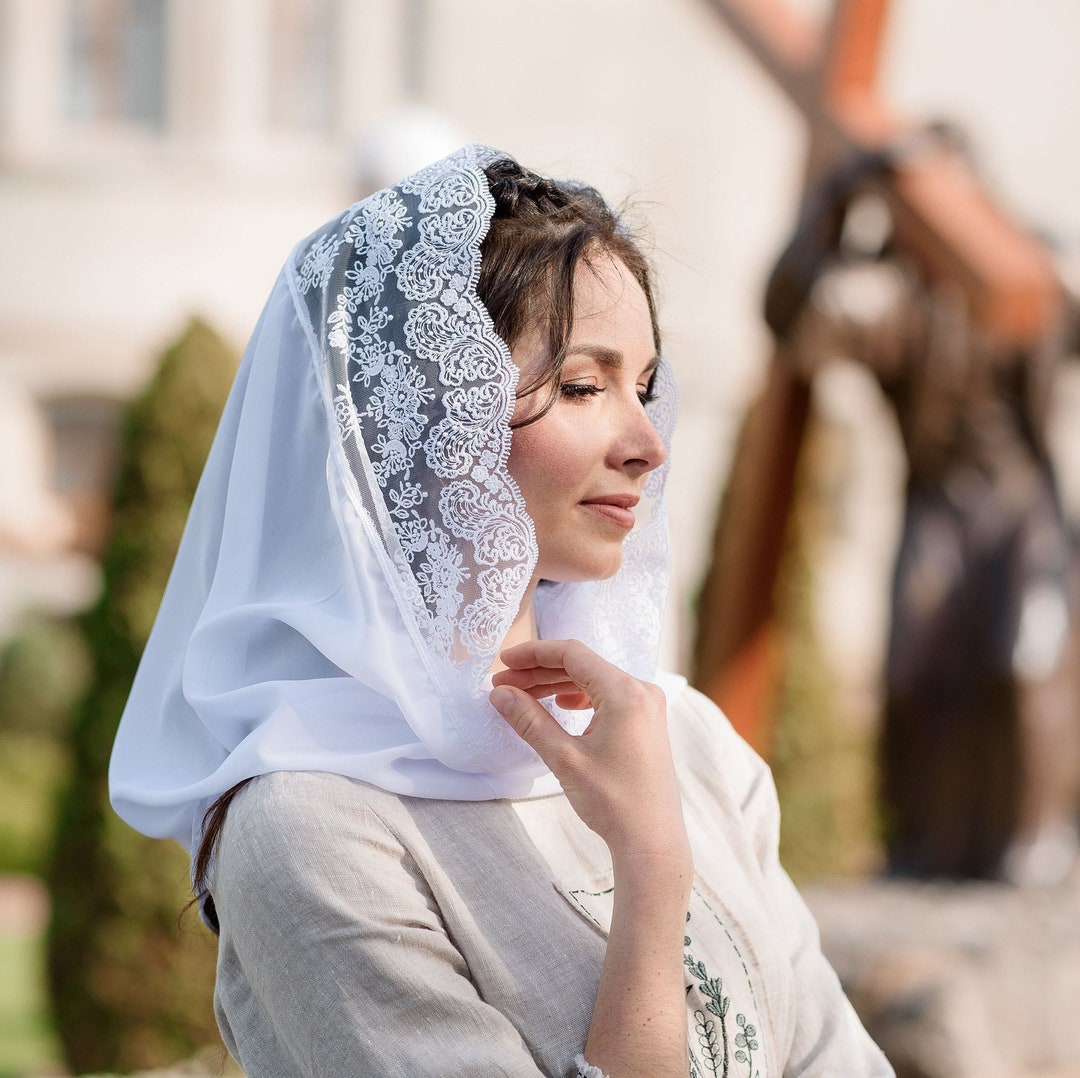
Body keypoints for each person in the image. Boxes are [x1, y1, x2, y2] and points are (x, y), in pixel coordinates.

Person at [109, 144, 893, 1077]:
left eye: (643, 388)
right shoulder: (315, 833)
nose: (648, 442)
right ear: (430, 424)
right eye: (580, 386)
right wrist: (651, 870)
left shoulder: (683, 740)